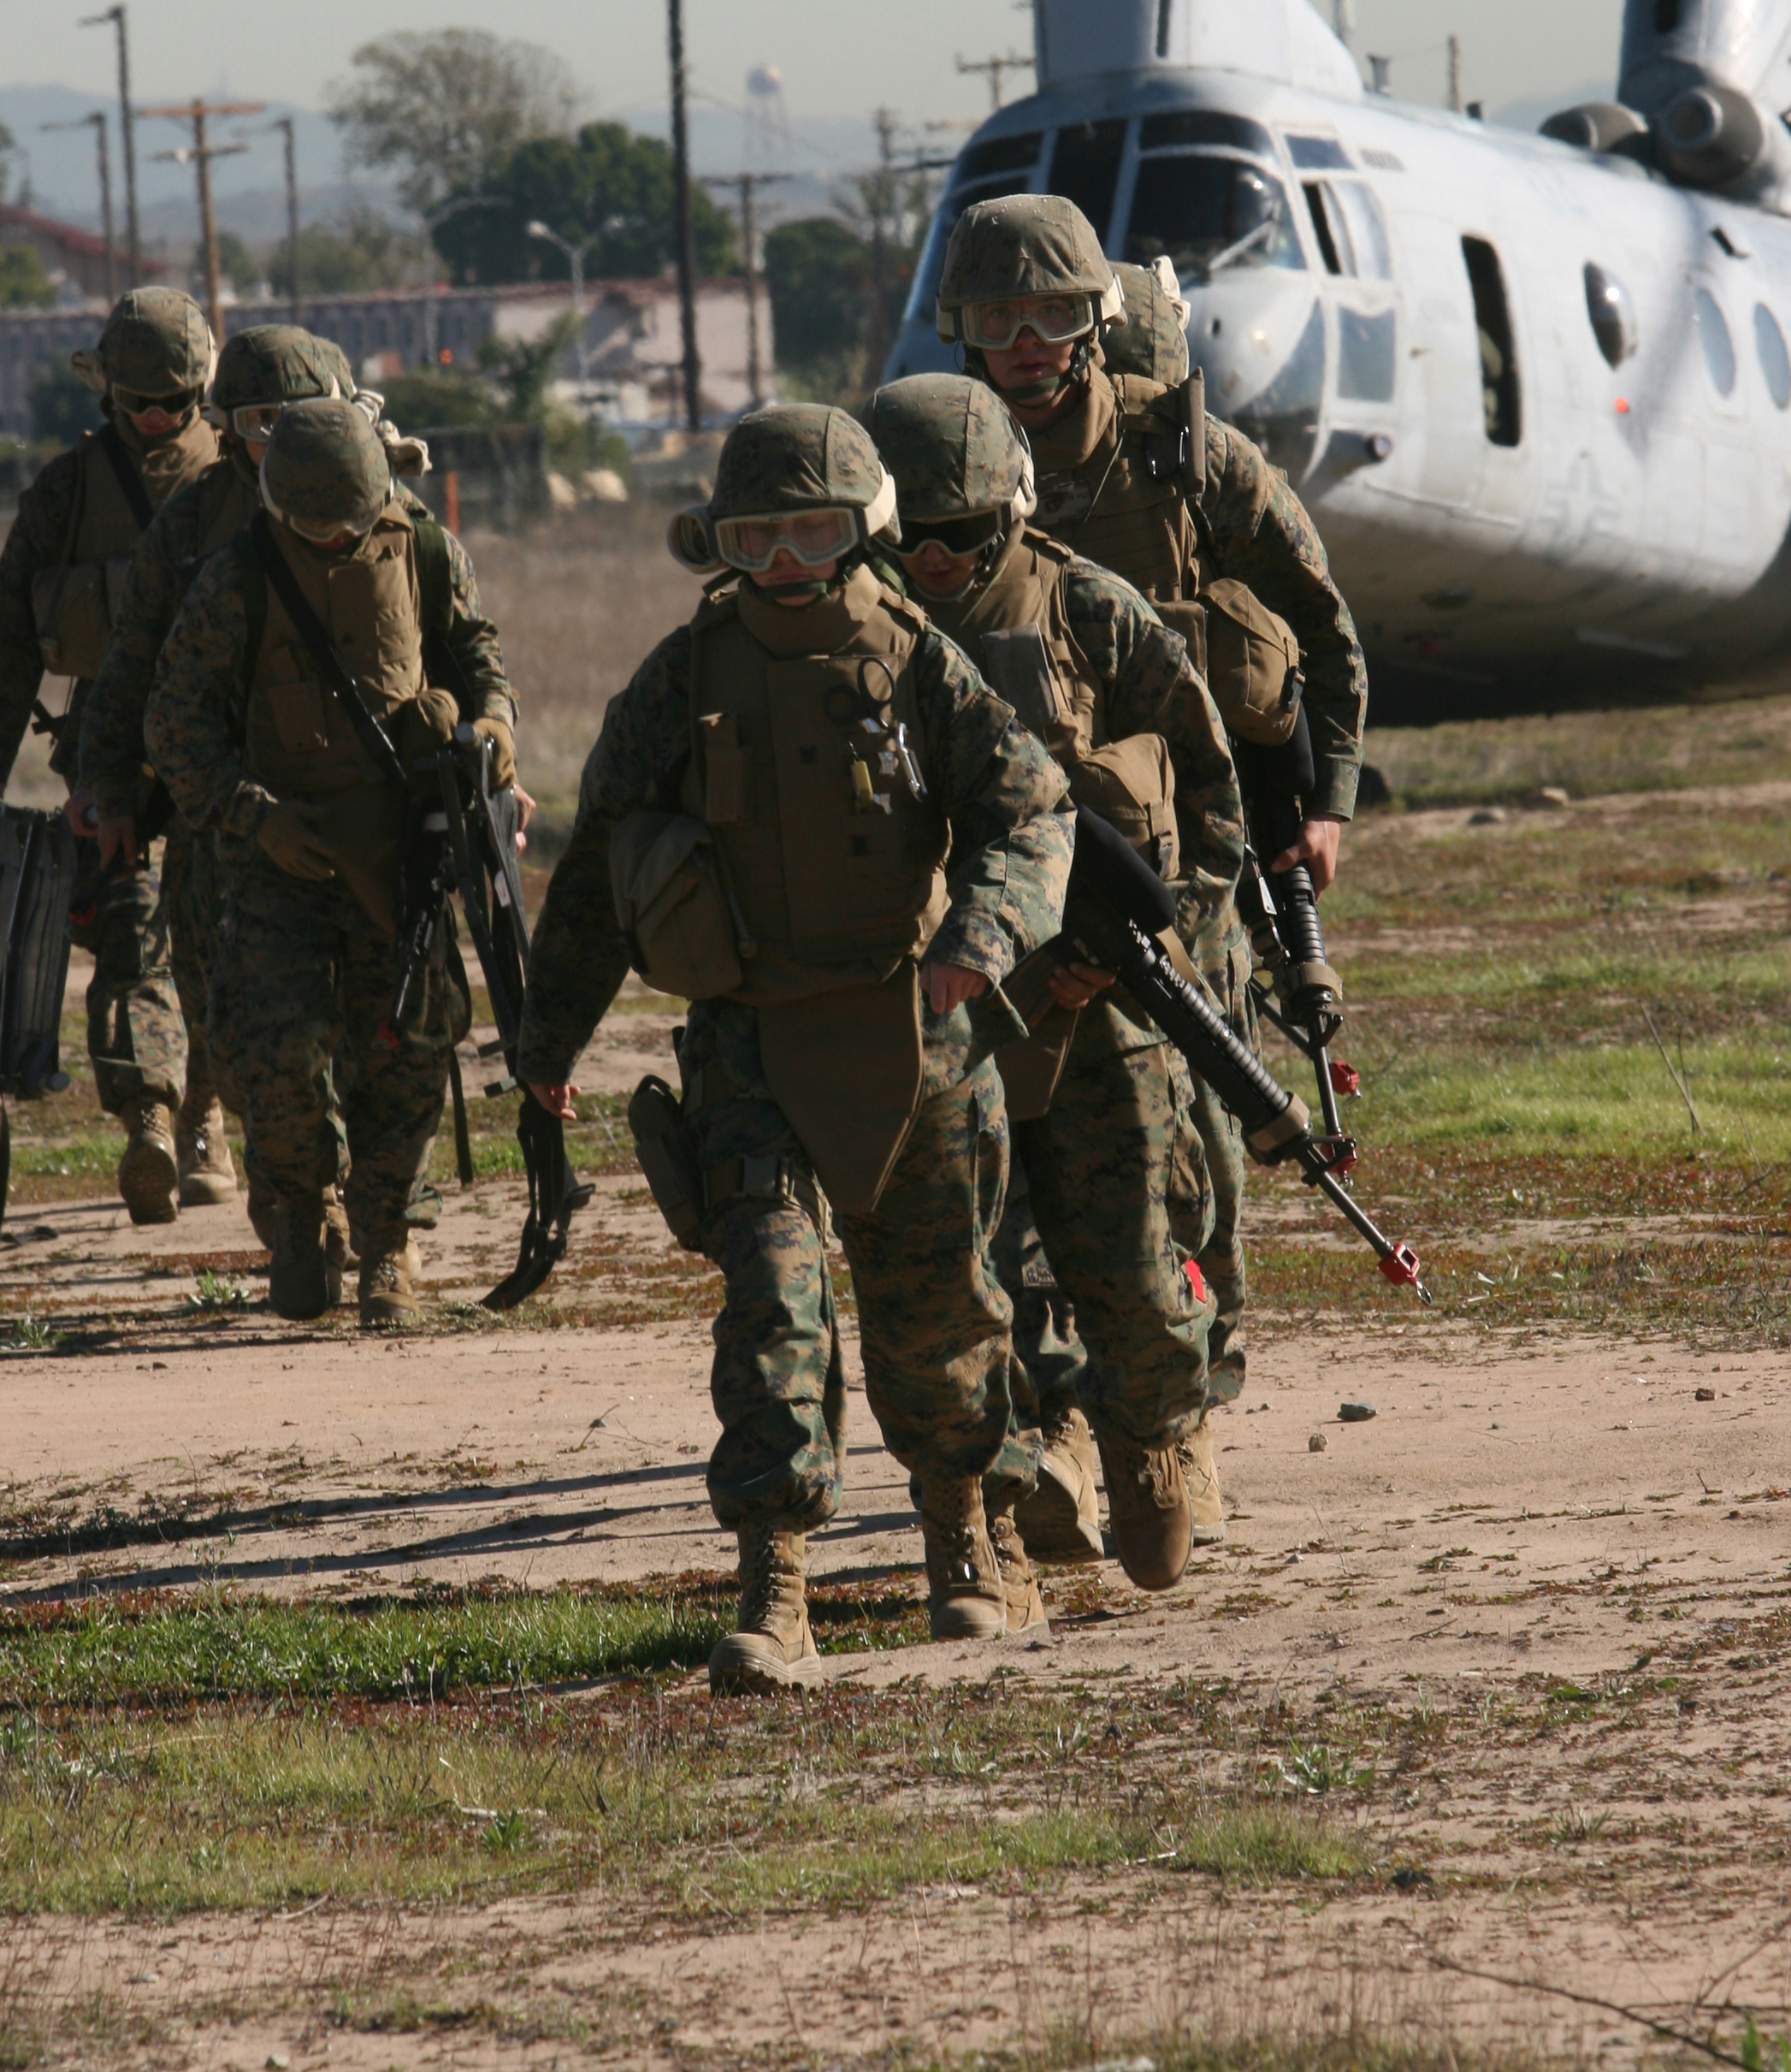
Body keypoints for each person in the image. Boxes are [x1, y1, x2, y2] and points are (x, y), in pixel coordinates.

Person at [515, 402, 1075, 1692]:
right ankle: (776, 1588)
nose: (781, 561)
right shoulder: (683, 677)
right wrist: (551, 1038)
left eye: (811, 532)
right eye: (753, 534)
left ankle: (969, 1549)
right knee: (773, 1308)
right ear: (715, 540)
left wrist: (978, 943)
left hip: (917, 1034)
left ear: (865, 531)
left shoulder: (921, 658)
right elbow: (600, 862)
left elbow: (1032, 813)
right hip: (749, 1046)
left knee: (944, 1316)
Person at [934, 195, 1368, 1494]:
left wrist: (1326, 804)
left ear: (1093, 322)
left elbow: (1321, 630)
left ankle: (1183, 1407)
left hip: (1189, 866)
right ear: (962, 329)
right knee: (1008, 1149)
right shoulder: (934, 466)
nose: (1024, 342)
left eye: (1052, 315)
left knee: (1192, 1148)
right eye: (996, 318)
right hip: (992, 877)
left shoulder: (1190, 462)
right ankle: (1054, 1413)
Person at [866, 371, 1245, 1589]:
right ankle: (1025, 1480)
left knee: (1134, 1275)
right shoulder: (849, 637)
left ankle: (1154, 1435)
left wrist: (1152, 941)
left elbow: (1211, 803)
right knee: (970, 1280)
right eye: (906, 539)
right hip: (947, 1018)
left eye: (964, 537)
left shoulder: (1092, 612)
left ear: (1014, 514)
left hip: (1097, 1007)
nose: (934, 562)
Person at [143, 399, 518, 1329]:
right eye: (310, 523)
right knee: (269, 1056)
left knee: (406, 1055)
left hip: (404, 855)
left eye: (344, 521)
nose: (330, 536)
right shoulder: (236, 577)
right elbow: (173, 723)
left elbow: (477, 655)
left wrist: (496, 727)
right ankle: (303, 1223)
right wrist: (252, 817)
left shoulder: (426, 551)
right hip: (278, 860)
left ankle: (388, 1243)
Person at [78, 325, 364, 1268]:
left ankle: (368, 1208)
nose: (276, 436)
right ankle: (284, 1188)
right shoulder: (195, 522)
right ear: (225, 423)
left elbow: (456, 646)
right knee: (233, 1022)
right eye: (254, 420)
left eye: (297, 416)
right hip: (222, 814)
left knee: (375, 1023)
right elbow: (126, 671)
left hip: (360, 812)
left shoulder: (388, 510)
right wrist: (110, 787)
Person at [0, 287, 225, 1225]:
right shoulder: (65, 492)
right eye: (136, 402)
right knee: (129, 929)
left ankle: (206, 1117)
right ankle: (149, 1117)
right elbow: (4, 639)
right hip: (109, 759)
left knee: (218, 940)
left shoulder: (238, 479)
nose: (153, 419)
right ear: (107, 390)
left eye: (171, 402)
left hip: (229, 759)